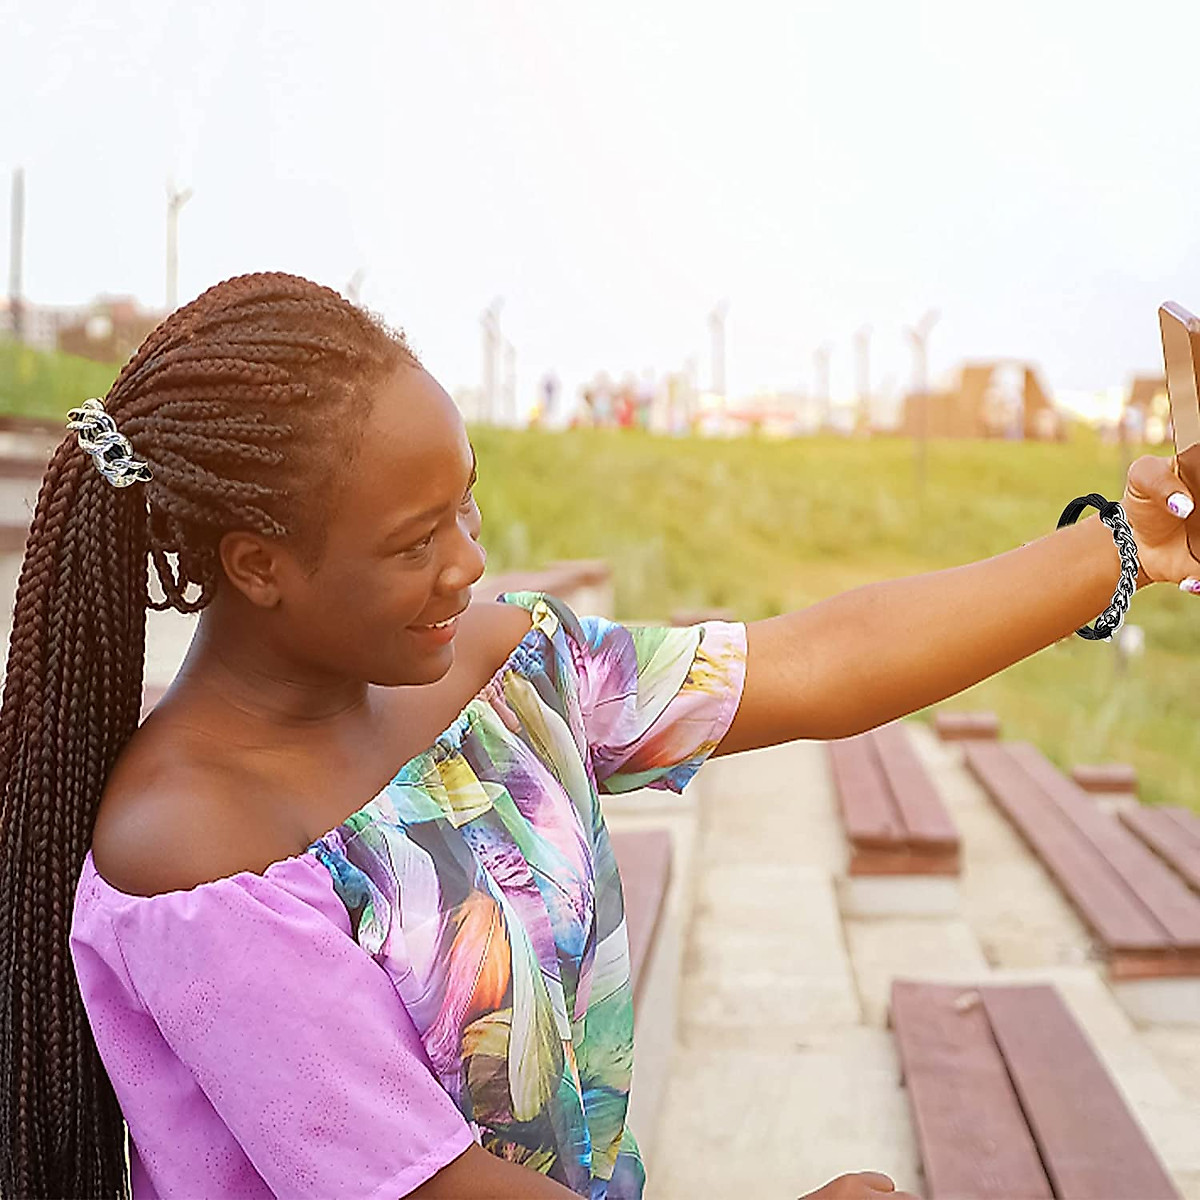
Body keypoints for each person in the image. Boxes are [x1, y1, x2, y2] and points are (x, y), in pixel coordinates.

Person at [1, 272, 1196, 1200]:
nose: (467, 560)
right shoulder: (198, 859)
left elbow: (816, 662)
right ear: (258, 565)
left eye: (465, 501)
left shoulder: (503, 668)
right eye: (414, 540)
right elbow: (422, 1188)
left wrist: (1130, 545)